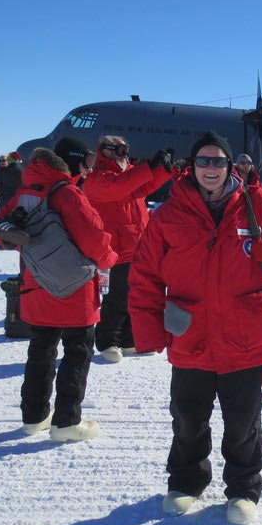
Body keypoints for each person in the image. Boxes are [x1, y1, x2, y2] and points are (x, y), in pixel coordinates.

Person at [129, 131, 262, 525]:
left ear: (230, 166)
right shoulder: (168, 215)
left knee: (242, 420)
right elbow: (144, 276)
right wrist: (150, 334)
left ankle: (243, 489)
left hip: (246, 335)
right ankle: (186, 482)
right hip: (191, 333)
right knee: (188, 416)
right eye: (203, 161)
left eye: (218, 161)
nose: (211, 169)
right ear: (191, 167)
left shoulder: (255, 202)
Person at [0, 144, 117, 442]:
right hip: (73, 288)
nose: (87, 167)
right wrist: (111, 260)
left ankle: (34, 417)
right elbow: (93, 238)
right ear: (68, 164)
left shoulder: (25, 192)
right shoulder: (66, 193)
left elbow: (1, 231)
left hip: (36, 282)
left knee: (40, 350)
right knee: (77, 352)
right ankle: (67, 422)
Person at [83, 135, 172, 363]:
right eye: (120, 150)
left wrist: (167, 169)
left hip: (138, 243)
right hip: (116, 248)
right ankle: (107, 341)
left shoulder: (129, 174)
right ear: (106, 151)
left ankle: (128, 339)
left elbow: (146, 186)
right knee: (118, 296)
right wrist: (148, 167)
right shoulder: (98, 179)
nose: (125, 155)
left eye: (126, 150)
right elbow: (119, 189)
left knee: (137, 294)